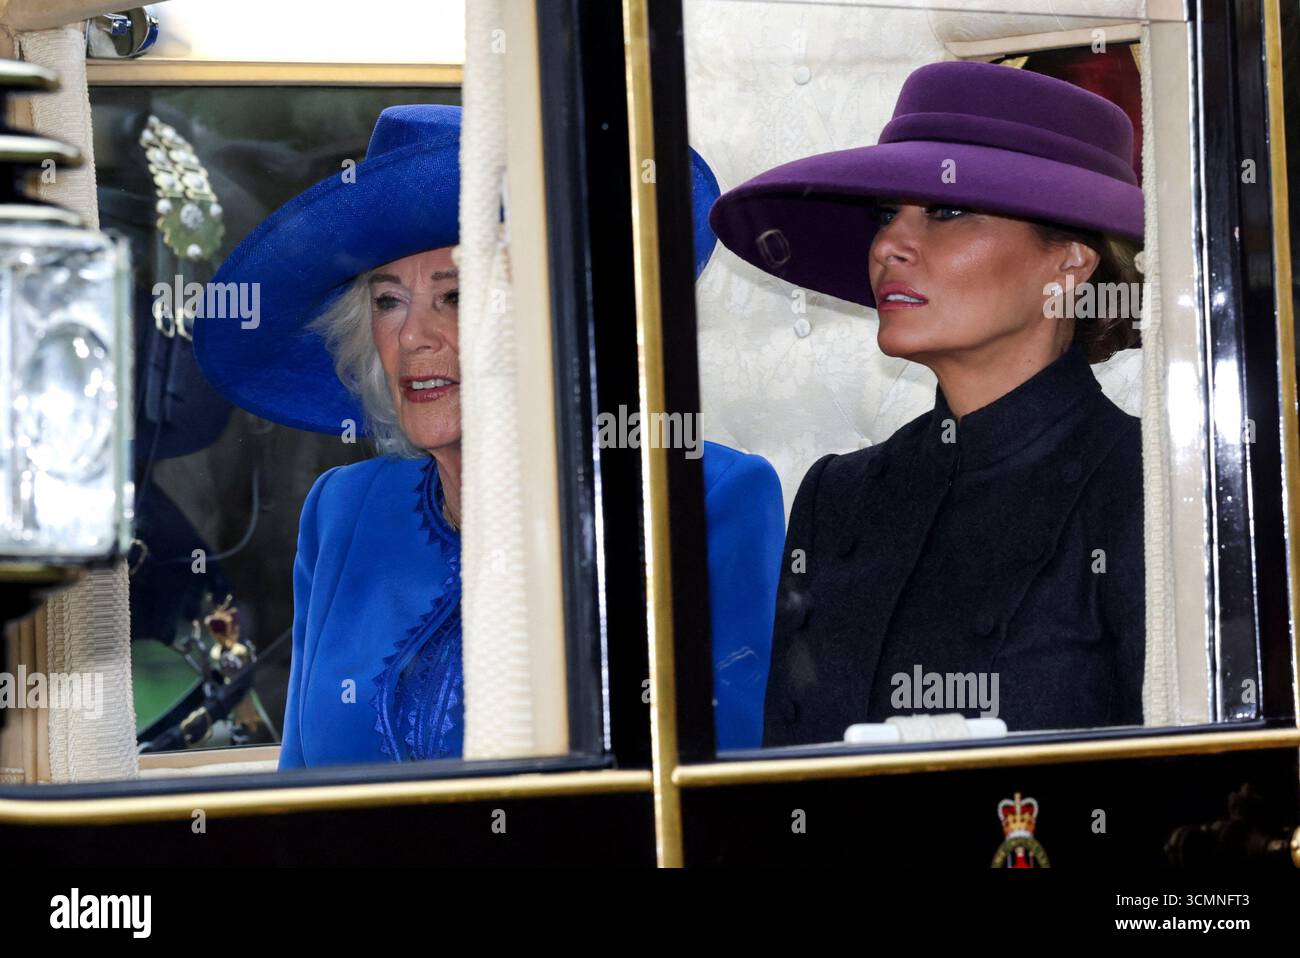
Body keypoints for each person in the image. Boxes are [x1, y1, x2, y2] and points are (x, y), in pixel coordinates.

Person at [194, 104, 783, 766]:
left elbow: (713, 796)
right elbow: (298, 791)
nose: (413, 337)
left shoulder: (701, 498)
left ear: (554, 314)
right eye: (388, 301)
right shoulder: (343, 512)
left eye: (457, 295)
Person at [709, 61, 1146, 745]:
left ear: (1069, 262)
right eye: (888, 215)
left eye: (946, 211)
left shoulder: (1149, 491)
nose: (887, 246)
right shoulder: (837, 498)